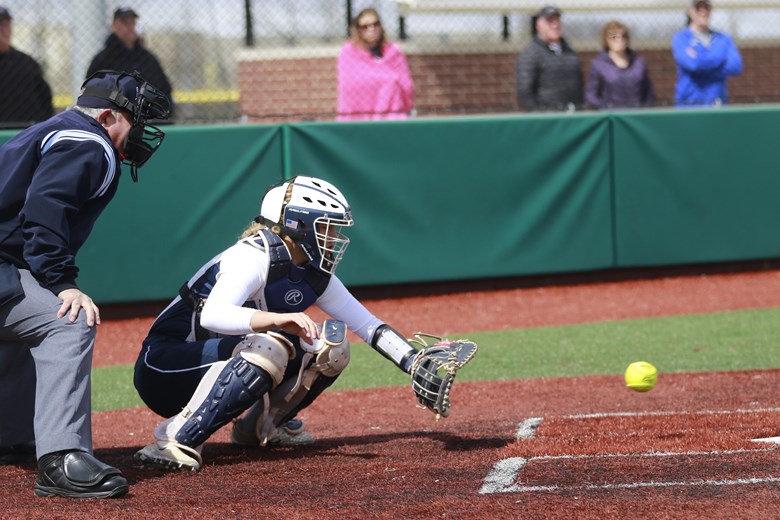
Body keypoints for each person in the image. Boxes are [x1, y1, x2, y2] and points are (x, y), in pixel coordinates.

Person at [133, 176, 428, 471]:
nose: (334, 237)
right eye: (326, 227)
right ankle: (173, 439)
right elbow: (214, 314)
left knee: (330, 347)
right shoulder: (251, 256)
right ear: (299, 225)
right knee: (268, 346)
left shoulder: (311, 272)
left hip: (218, 365)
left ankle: (260, 427)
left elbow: (368, 325)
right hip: (162, 370)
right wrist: (278, 320)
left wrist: (415, 364)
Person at [0, 70, 170, 498]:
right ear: (109, 116)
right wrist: (62, 281)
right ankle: (60, 459)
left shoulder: (47, 130)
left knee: (29, 309)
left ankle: (13, 434)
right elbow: (44, 209)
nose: (140, 135)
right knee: (68, 320)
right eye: (136, 122)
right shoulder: (89, 141)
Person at [87, 6, 174, 118]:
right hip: (112, 121)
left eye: (132, 22)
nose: (129, 27)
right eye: (124, 23)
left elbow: (164, 90)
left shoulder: (148, 59)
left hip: (148, 121)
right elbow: (91, 93)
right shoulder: (103, 59)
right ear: (114, 26)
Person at [337, 8, 414, 121]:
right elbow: (348, 85)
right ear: (358, 30)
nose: (371, 29)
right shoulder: (349, 52)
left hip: (393, 116)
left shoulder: (394, 52)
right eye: (365, 26)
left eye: (375, 24)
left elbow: (406, 84)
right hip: (358, 117)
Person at [671, 0, 742, 107]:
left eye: (707, 7)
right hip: (689, 104)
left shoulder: (723, 38)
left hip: (717, 102)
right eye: (698, 7)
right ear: (690, 11)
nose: (703, 11)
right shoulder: (680, 38)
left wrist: (701, 61)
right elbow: (693, 65)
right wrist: (720, 60)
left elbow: (736, 66)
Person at [516, 6, 583, 112]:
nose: (555, 25)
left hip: (573, 114)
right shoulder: (530, 54)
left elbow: (579, 84)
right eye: (550, 21)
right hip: (548, 119)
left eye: (557, 21)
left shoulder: (569, 52)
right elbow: (525, 91)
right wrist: (540, 115)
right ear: (539, 25)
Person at [0, 6, 53, 127]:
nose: (4, 30)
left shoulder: (27, 63)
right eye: (0, 25)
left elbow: (45, 100)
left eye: (6, 25)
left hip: (27, 133)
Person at [585, 20, 655, 110]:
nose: (619, 39)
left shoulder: (639, 63)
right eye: (613, 36)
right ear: (606, 40)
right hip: (612, 117)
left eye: (623, 36)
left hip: (637, 115)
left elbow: (649, 93)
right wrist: (606, 109)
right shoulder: (599, 65)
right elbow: (591, 96)